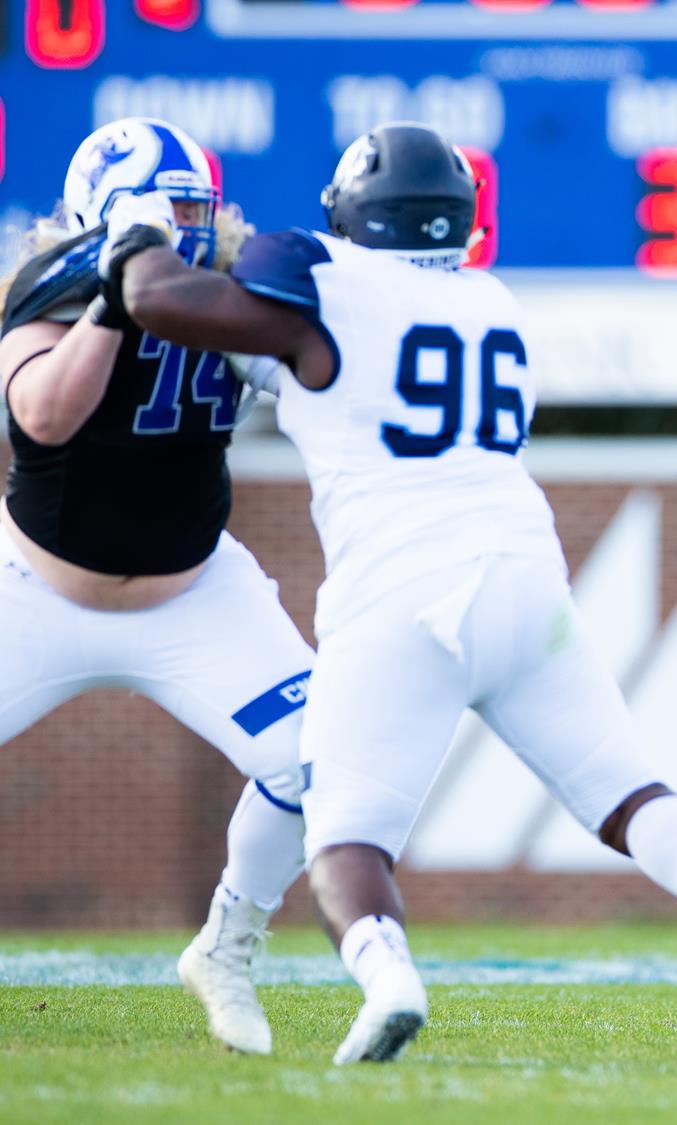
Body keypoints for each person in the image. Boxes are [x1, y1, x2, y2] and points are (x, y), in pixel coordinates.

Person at [99, 121, 677, 1063]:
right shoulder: (491, 301)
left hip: (401, 588)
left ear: (355, 215)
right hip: (524, 576)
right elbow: (326, 360)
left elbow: (164, 301)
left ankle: (388, 978)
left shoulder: (314, 274)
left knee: (345, 834)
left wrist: (134, 231)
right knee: (627, 787)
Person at [0, 117, 314, 1055]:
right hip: (36, 592)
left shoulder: (226, 292)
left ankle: (226, 945)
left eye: (194, 208)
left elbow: (314, 374)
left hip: (195, 593)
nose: (185, 227)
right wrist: (111, 299)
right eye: (162, 211)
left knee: (326, 761)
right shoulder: (44, 289)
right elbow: (46, 418)